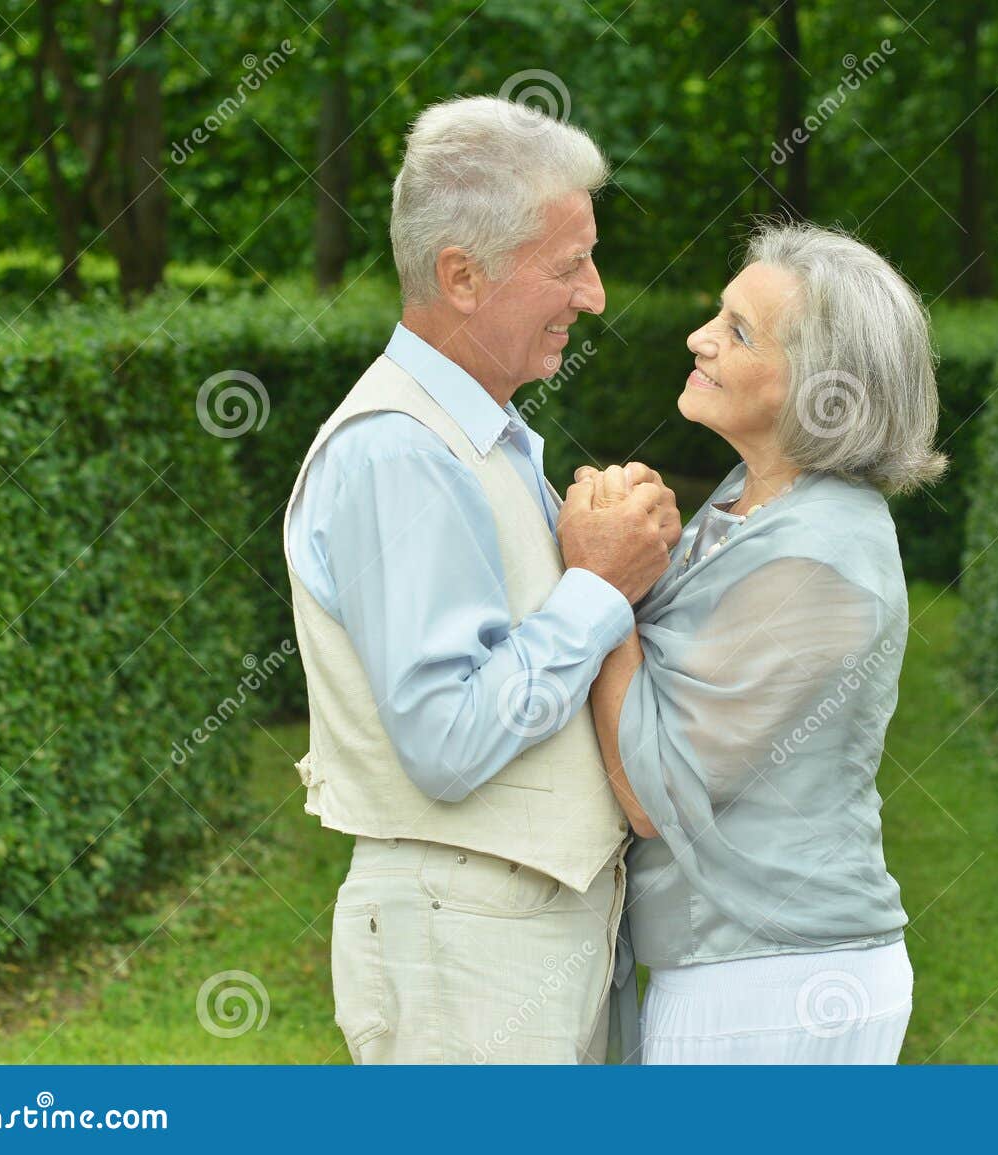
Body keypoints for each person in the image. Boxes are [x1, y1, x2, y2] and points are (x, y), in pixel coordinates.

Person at [283, 94, 680, 1064]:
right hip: (466, 948)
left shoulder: (473, 437)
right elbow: (449, 739)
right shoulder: (398, 454)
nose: (593, 294)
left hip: (499, 936)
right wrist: (596, 585)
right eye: (568, 265)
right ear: (461, 276)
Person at [580, 221, 945, 1064]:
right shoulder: (757, 497)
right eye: (720, 313)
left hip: (773, 984)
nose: (698, 338)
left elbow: (650, 789)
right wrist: (648, 549)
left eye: (738, 332)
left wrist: (599, 583)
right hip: (743, 969)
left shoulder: (823, 553)